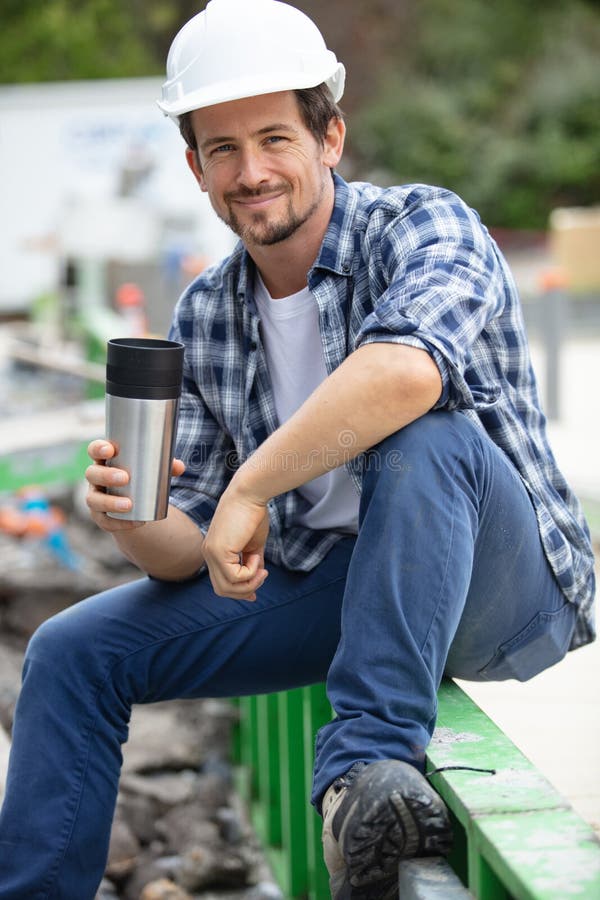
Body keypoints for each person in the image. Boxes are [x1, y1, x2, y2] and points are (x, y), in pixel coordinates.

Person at [0, 1, 595, 897]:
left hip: (496, 579)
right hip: (338, 587)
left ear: (330, 138)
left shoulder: (422, 226)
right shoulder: (206, 312)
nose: (252, 172)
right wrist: (134, 514)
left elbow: (405, 377)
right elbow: (194, 550)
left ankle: (359, 772)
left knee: (422, 433)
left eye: (275, 138)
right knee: (71, 653)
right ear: (195, 167)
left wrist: (249, 485)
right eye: (223, 149)